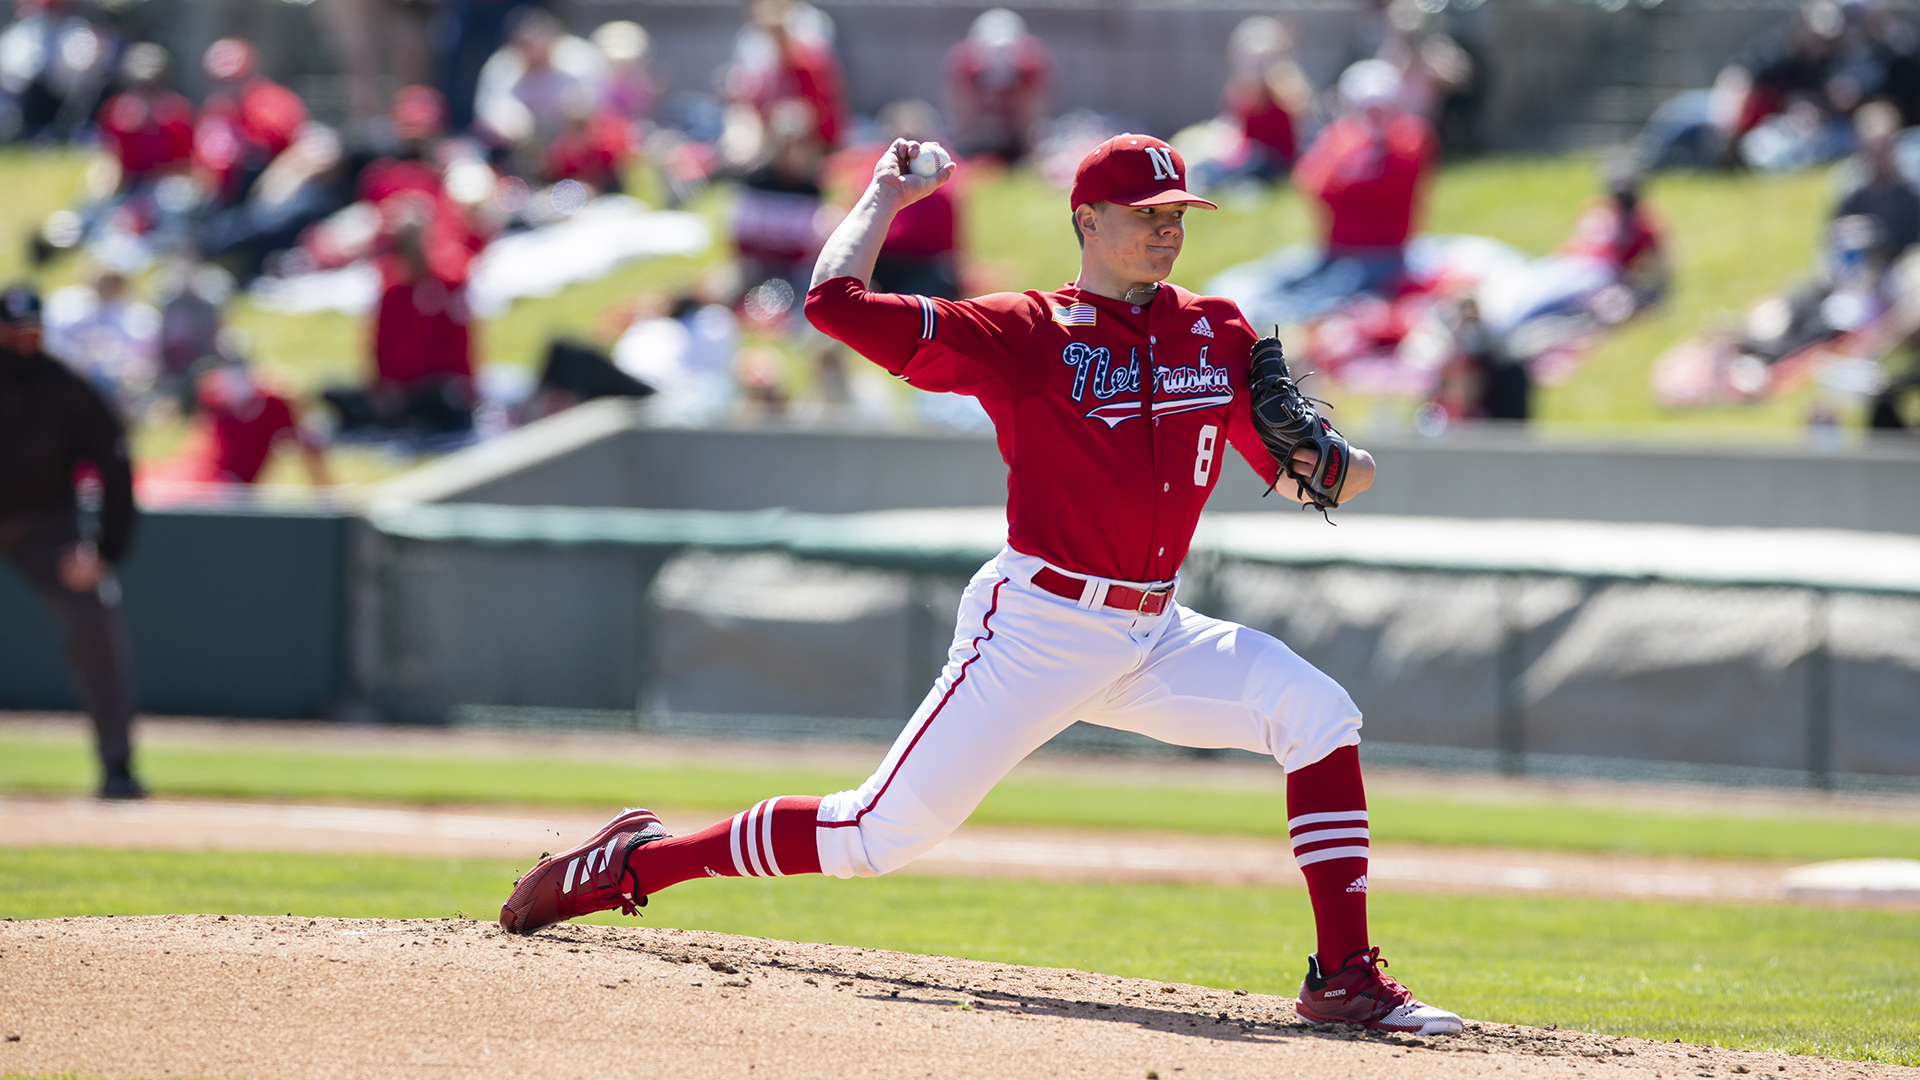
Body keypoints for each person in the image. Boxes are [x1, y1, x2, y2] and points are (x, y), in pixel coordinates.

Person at [498, 134, 1463, 1038]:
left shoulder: (1215, 331)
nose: (1169, 228)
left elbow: (1314, 474)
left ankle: (1342, 978)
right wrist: (884, 194)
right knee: (876, 835)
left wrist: (1333, 458)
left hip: (1155, 632)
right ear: (1087, 220)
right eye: (1147, 212)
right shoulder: (1027, 332)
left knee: (1319, 713)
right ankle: (637, 864)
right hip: (1038, 626)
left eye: (1179, 213)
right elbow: (833, 304)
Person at [0, 285, 144, 799]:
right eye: (11, 331)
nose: (22, 342)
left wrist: (103, 548)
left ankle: (118, 767)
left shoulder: (65, 386)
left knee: (93, 614)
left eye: (31, 332)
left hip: (45, 525)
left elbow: (116, 463)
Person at [942, 8, 1051, 162]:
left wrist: (1029, 147)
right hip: (980, 137)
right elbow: (964, 113)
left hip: (1013, 139)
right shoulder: (965, 66)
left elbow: (1030, 113)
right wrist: (967, 144)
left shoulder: (1029, 66)